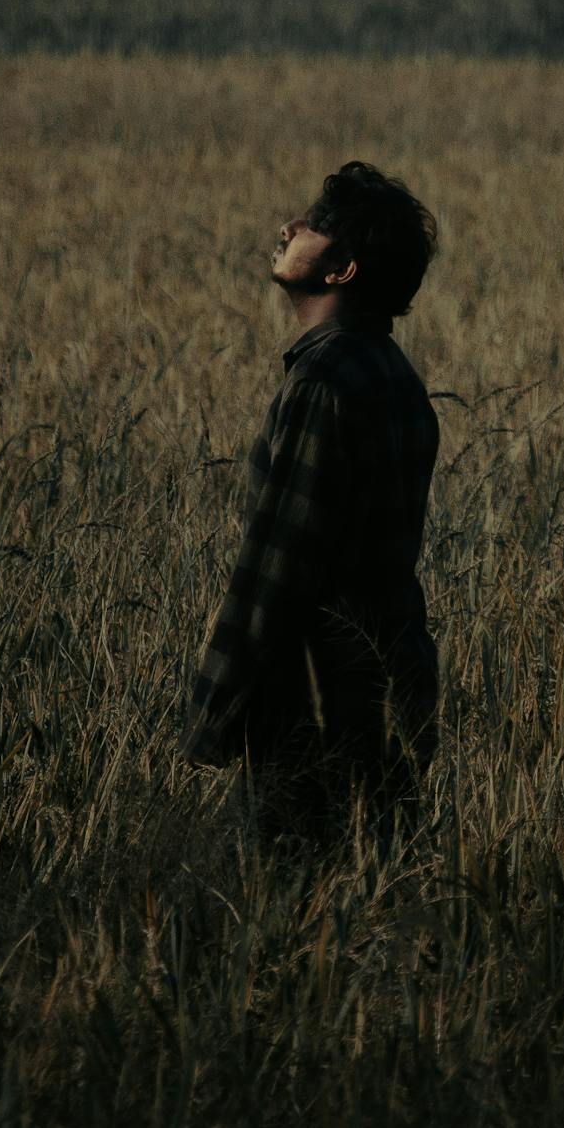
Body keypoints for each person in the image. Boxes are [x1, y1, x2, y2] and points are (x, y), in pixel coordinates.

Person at [182, 161, 441, 849]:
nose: (290, 228)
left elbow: (277, 567)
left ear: (342, 271)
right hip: (393, 677)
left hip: (319, 700)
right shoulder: (397, 376)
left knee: (299, 907)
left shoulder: (321, 383)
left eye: (315, 225)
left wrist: (215, 708)